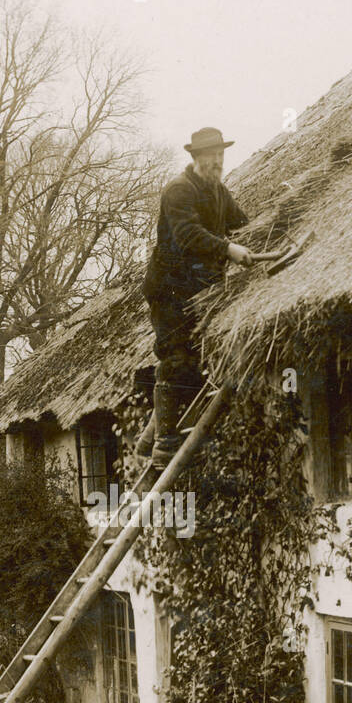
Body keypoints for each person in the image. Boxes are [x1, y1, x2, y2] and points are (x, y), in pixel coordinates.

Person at [140, 127, 252, 468]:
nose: (216, 162)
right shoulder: (179, 190)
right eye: (210, 156)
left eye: (220, 155)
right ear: (195, 158)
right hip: (170, 290)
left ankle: (148, 437)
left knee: (194, 361)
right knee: (175, 359)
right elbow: (188, 235)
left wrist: (263, 232)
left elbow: (240, 223)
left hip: (200, 289)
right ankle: (163, 444)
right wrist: (228, 249)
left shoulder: (218, 191)